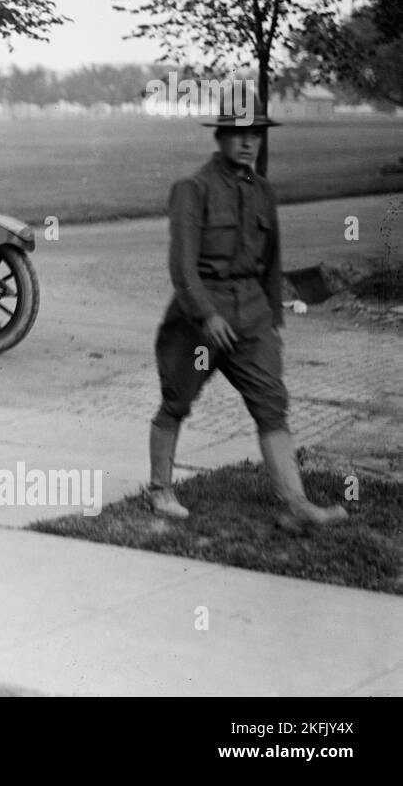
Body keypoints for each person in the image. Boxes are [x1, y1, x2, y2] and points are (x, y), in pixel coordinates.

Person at [147, 114, 348, 531]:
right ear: (220, 138)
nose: (247, 143)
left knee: (271, 404)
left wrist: (273, 318)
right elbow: (183, 268)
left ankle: (296, 504)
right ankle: (160, 491)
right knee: (177, 402)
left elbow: (272, 262)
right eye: (238, 135)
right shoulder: (193, 189)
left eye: (254, 135)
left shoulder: (263, 193)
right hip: (198, 325)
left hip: (252, 317)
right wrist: (208, 315)